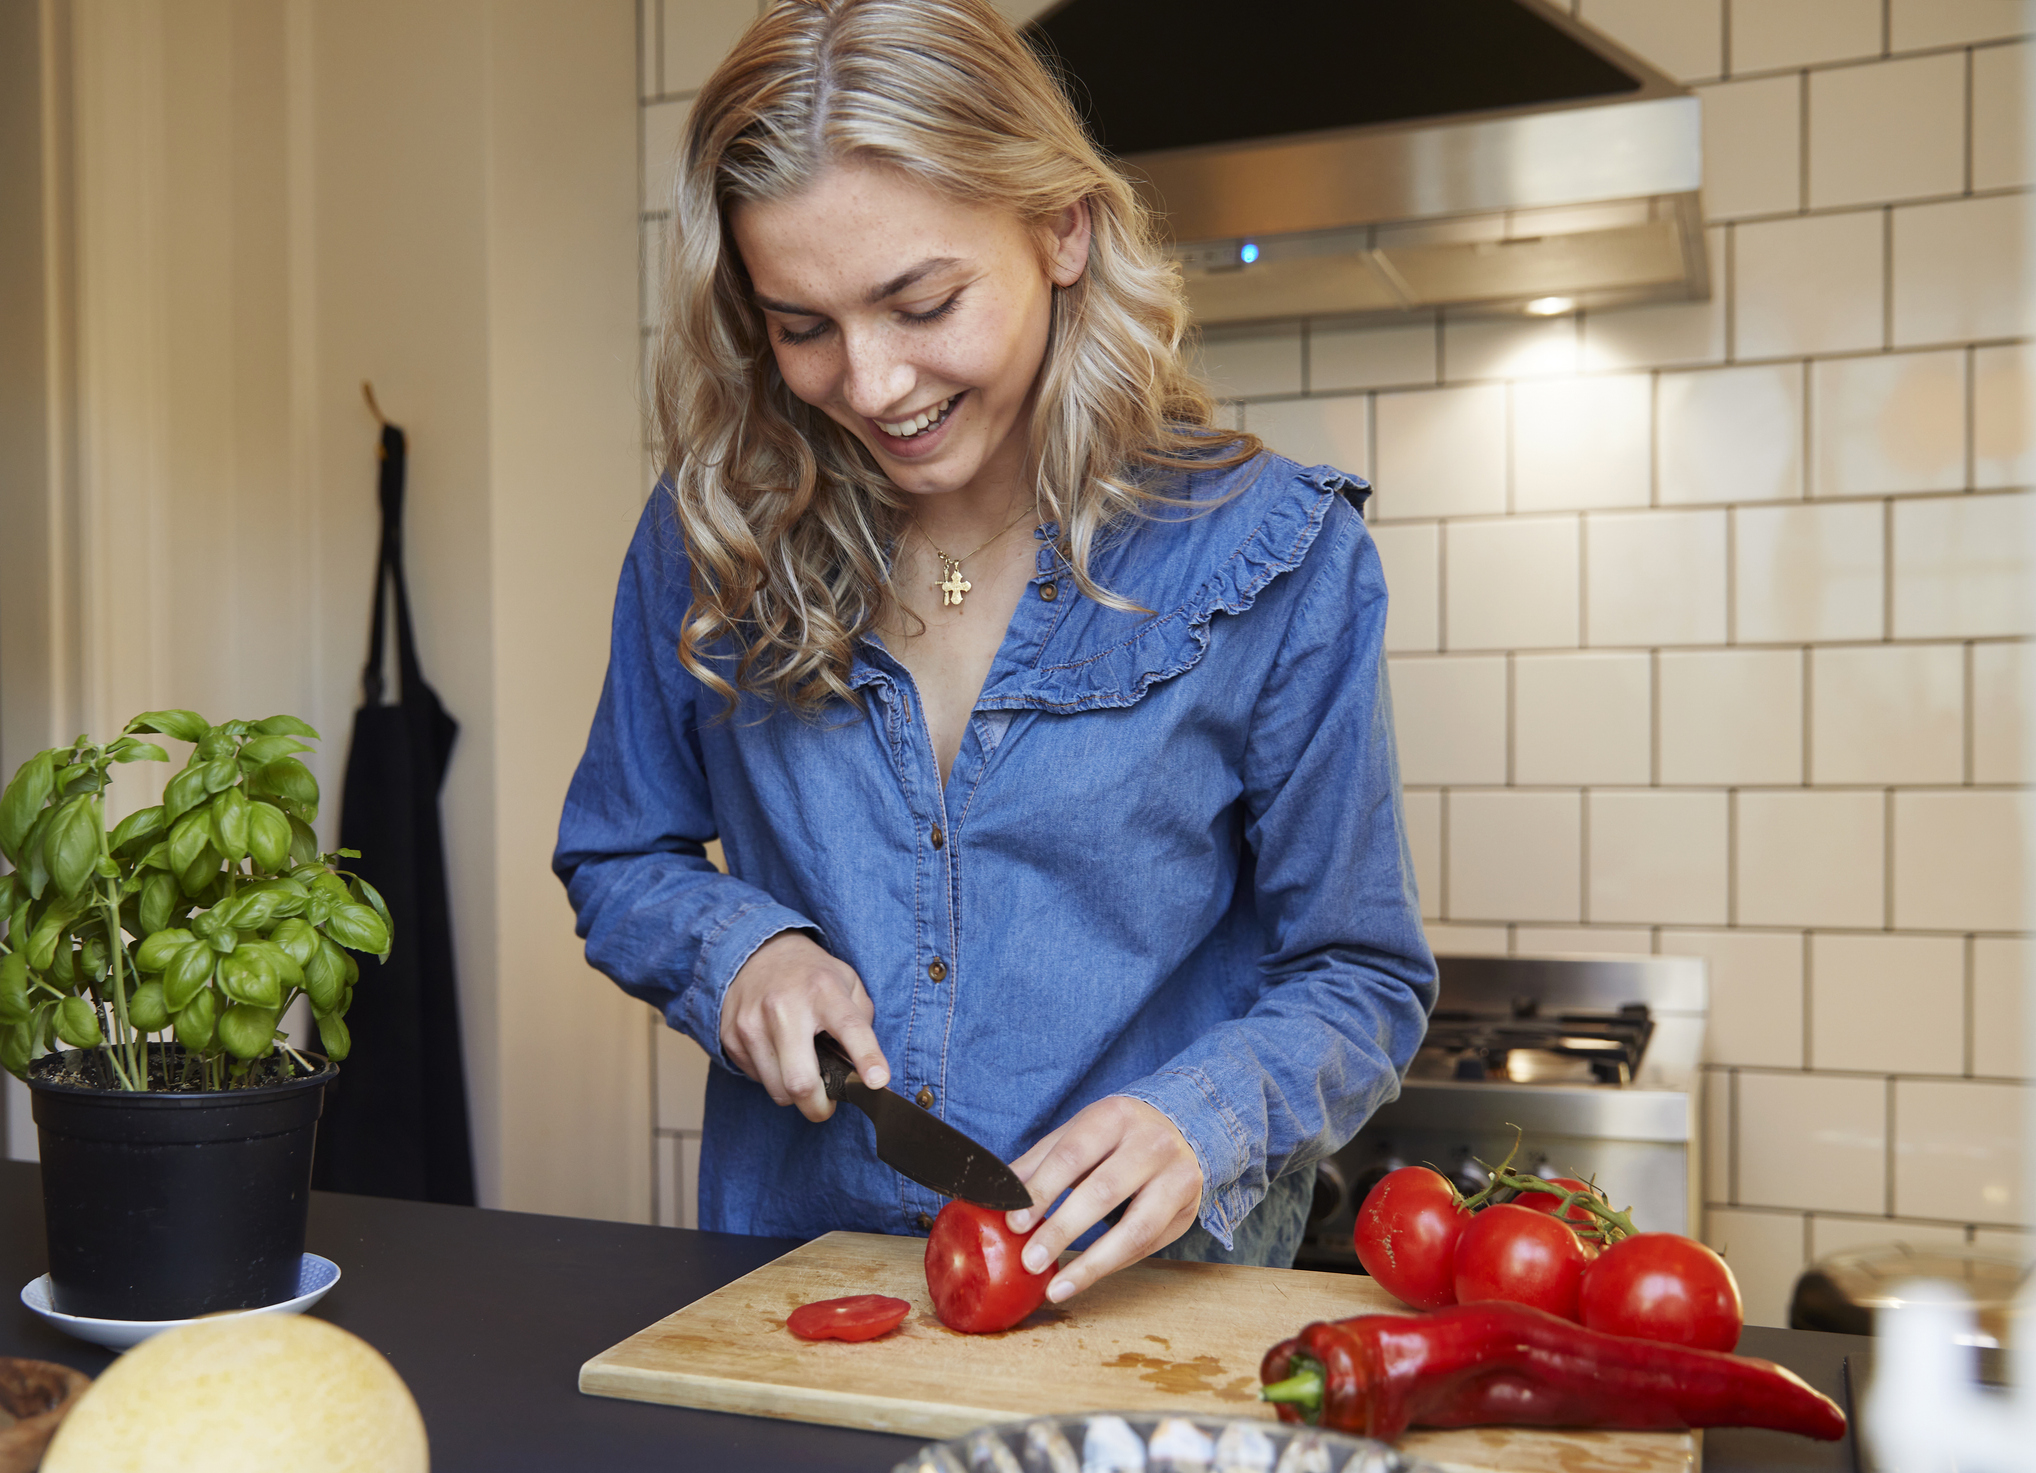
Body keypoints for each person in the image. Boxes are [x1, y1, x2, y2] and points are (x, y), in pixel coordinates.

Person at [554, 0, 1434, 1304]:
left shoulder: (1278, 558)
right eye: (803, 326)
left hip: (1145, 1320)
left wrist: (1205, 1115)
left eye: (923, 302)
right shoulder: (710, 537)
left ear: (1062, 230)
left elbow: (1360, 975)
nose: (872, 382)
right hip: (796, 1296)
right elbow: (619, 851)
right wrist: (739, 948)